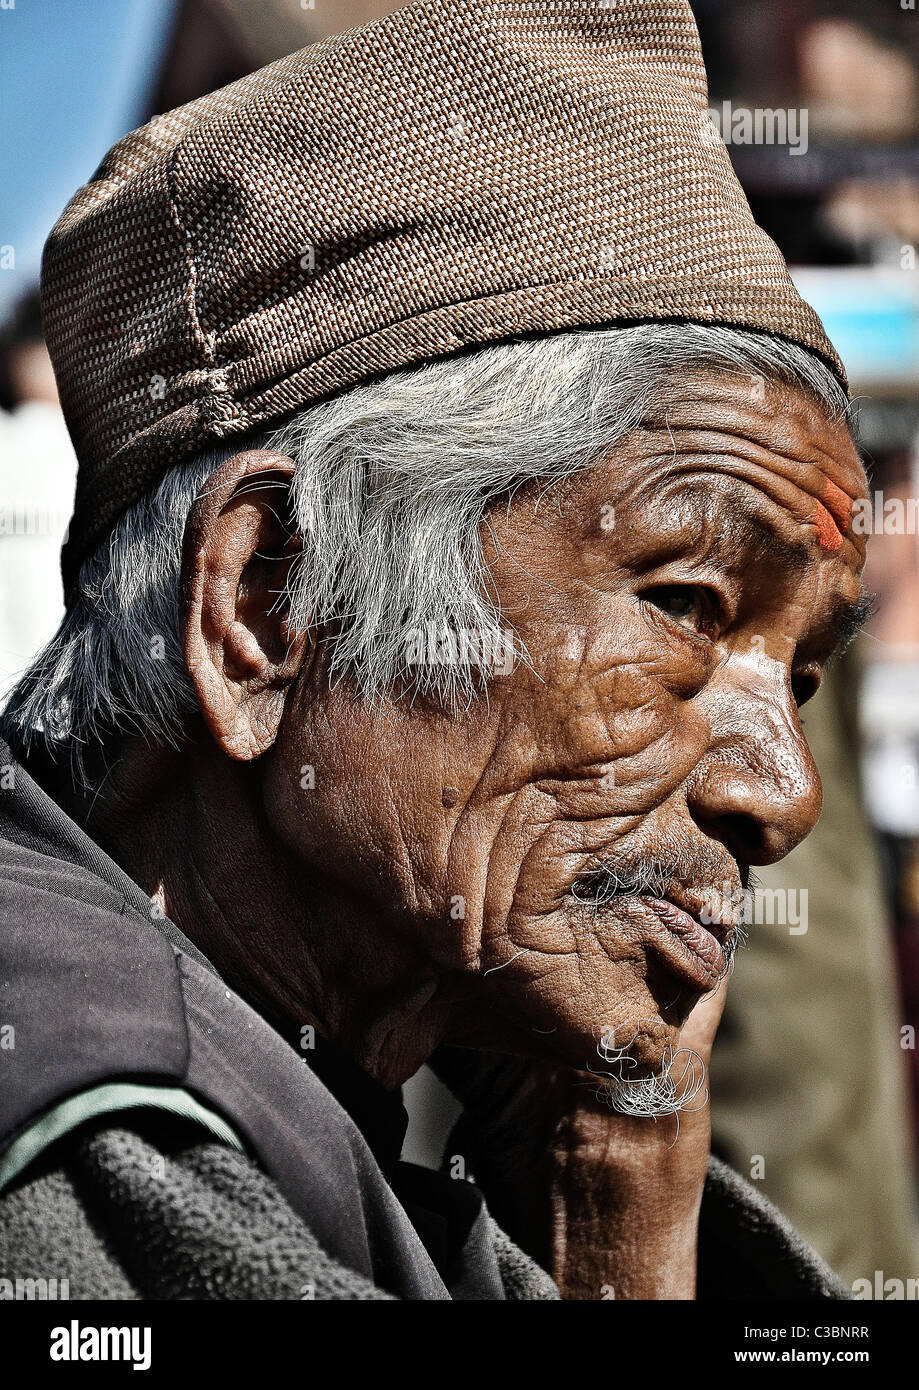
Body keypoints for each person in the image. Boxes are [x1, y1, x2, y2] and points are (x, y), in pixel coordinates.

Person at [0, 0, 872, 1299]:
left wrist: (613, 1189)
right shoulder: (106, 1159)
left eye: (797, 674)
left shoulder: (293, 1101)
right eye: (684, 604)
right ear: (269, 604)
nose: (781, 794)